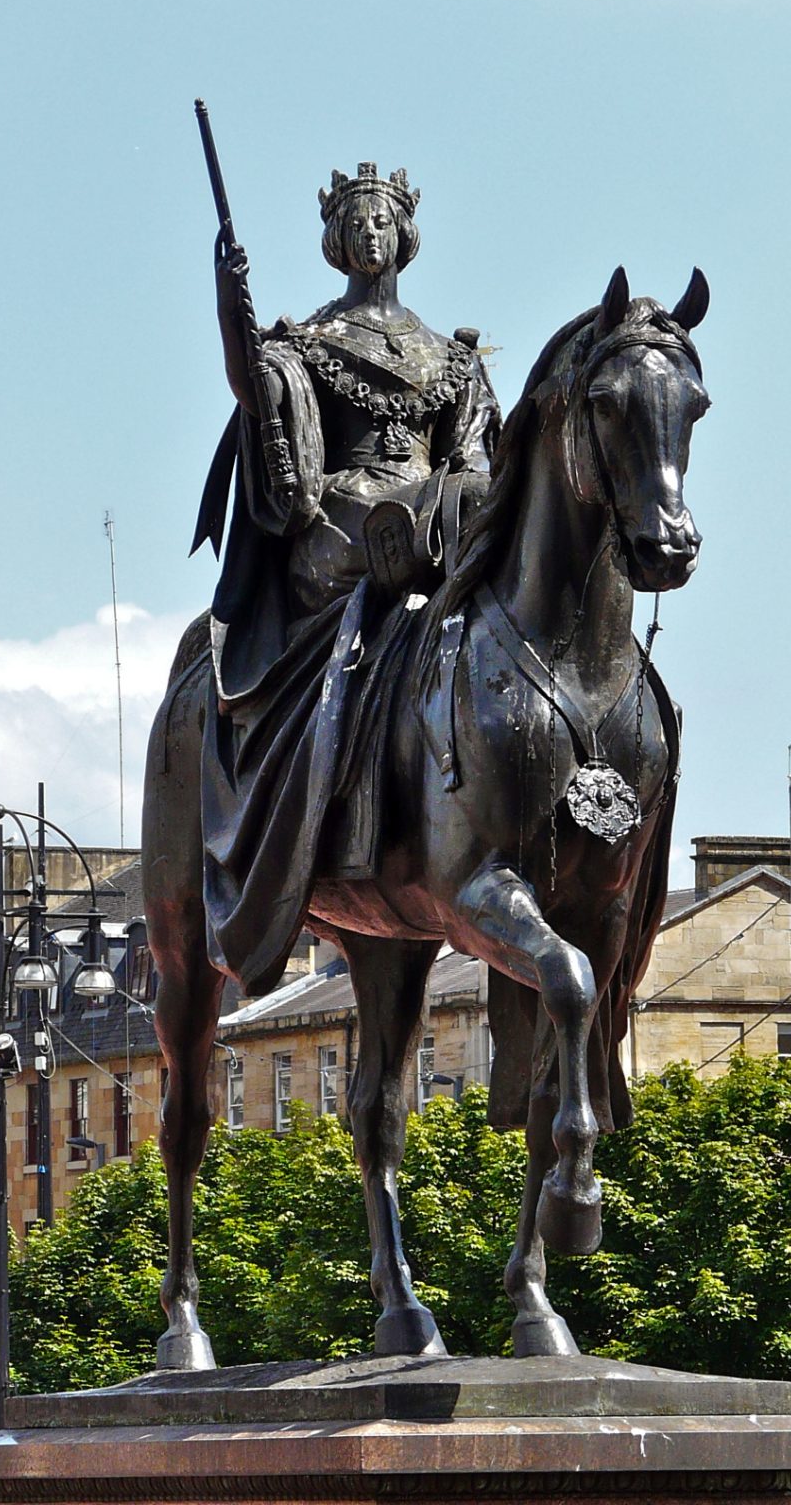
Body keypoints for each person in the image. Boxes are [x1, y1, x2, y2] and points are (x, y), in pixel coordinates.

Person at [190, 163, 500, 989]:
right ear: (337, 241)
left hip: (436, 515)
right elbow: (259, 396)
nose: (370, 234)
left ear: (405, 236)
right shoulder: (308, 347)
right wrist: (234, 313)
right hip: (342, 524)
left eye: (382, 222)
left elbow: (473, 456)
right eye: (356, 223)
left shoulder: (452, 358)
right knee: (384, 519)